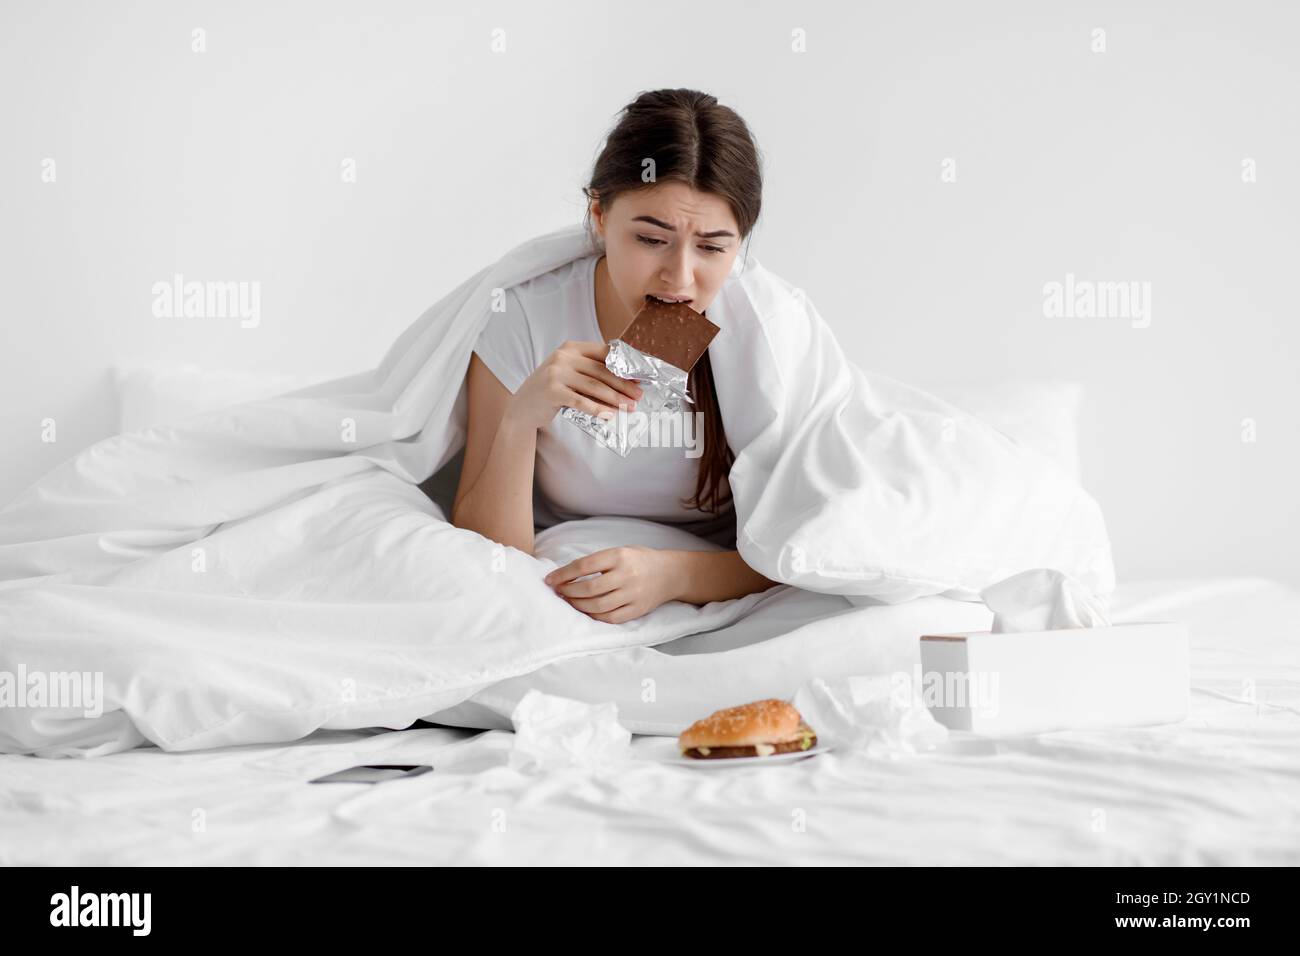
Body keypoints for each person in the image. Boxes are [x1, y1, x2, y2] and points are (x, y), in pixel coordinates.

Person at [452, 88, 778, 624]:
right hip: (562, 584)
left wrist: (674, 576)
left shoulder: (763, 332)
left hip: (726, 586)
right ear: (599, 216)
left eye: (714, 248)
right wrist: (521, 420)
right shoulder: (525, 316)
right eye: (651, 239)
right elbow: (486, 555)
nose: (680, 279)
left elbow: (809, 545)